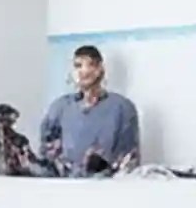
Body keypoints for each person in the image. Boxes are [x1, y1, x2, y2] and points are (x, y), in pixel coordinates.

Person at [39, 45, 140, 177]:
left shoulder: (122, 108)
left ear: (101, 69)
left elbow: (129, 157)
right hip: (65, 188)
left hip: (107, 189)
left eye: (91, 65)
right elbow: (47, 155)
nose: (84, 71)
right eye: (78, 65)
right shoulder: (60, 108)